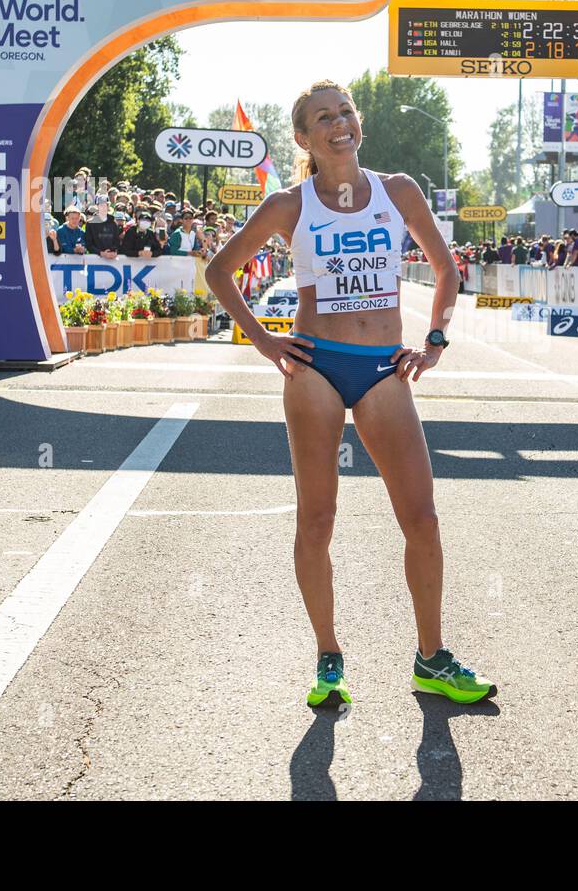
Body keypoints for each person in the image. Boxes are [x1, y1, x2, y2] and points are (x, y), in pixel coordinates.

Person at [204, 79, 495, 708]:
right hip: (315, 369)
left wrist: (436, 338)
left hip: (383, 369)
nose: (339, 125)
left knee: (421, 517)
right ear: (304, 138)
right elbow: (219, 270)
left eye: (345, 112)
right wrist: (264, 340)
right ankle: (329, 657)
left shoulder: (398, 192)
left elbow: (446, 268)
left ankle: (431, 659)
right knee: (317, 520)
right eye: (322, 119)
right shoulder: (290, 203)